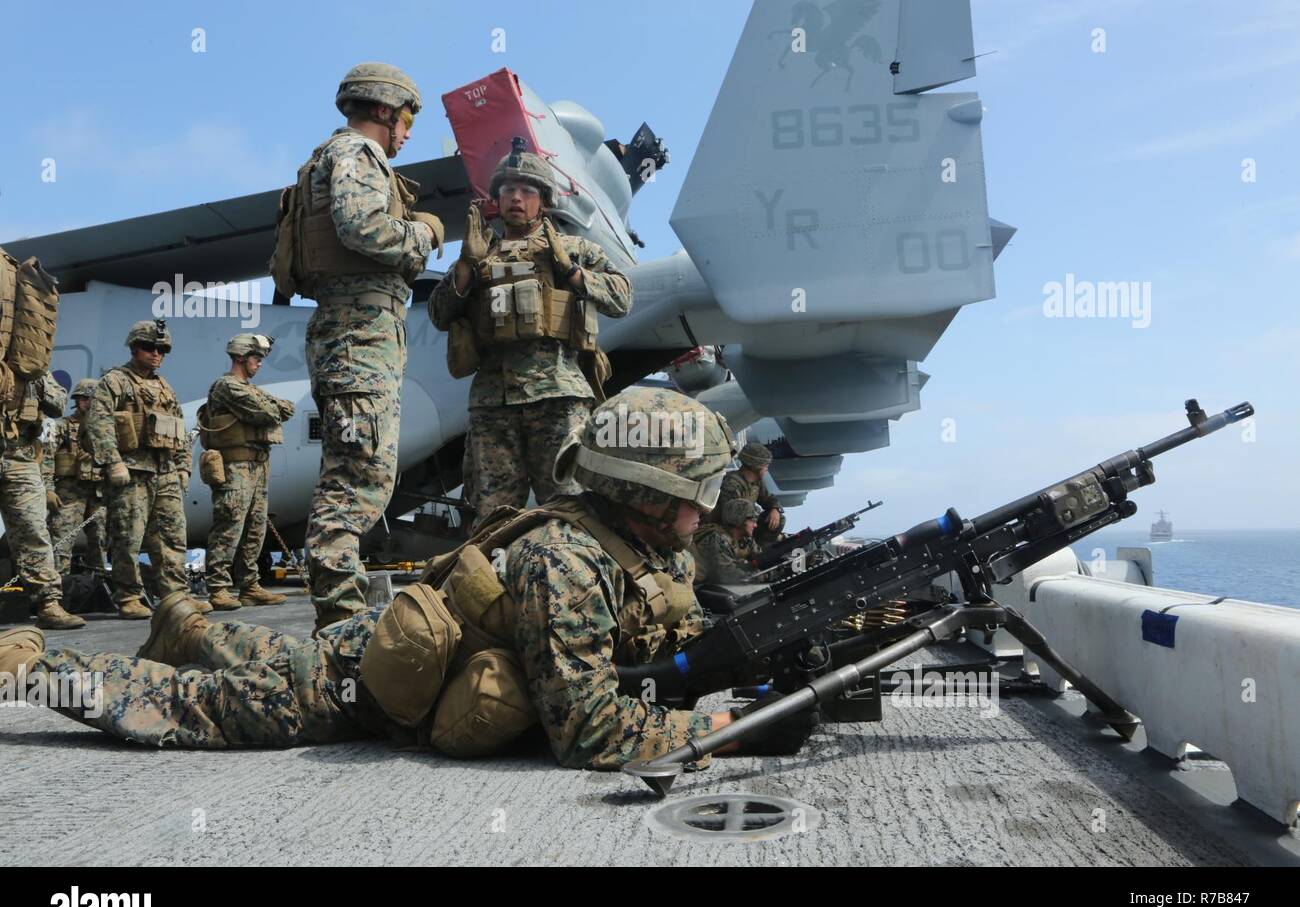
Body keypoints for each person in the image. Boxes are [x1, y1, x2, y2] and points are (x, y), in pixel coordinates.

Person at [0, 389, 815, 766]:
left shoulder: (638, 542)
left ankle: (190, 627)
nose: (710, 508)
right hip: (353, 688)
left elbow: (661, 639)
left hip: (368, 651)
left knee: (268, 657)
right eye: (698, 489)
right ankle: (31, 668)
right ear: (651, 491)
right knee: (181, 709)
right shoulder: (568, 563)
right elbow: (592, 734)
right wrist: (734, 731)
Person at [285, 62, 444, 634]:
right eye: (406, 118)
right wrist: (424, 233)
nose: (407, 132)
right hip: (358, 337)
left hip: (352, 336)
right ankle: (341, 619)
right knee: (356, 479)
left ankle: (340, 612)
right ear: (384, 109)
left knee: (356, 473)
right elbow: (361, 228)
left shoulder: (327, 158)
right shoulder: (356, 155)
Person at [429, 140, 632, 529]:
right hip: (493, 403)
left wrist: (572, 271)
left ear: (544, 200)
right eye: (507, 190)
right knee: (491, 516)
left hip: (557, 396)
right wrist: (466, 268)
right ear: (497, 198)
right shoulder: (478, 252)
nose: (516, 198)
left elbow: (622, 299)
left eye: (527, 191)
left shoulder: (573, 249)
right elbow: (440, 314)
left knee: (571, 507)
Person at [83, 320, 210, 618]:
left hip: (164, 471)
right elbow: (98, 423)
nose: (157, 354)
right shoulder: (115, 381)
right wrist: (112, 461)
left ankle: (176, 596)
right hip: (131, 470)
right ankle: (128, 596)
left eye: (162, 350)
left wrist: (182, 469)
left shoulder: (164, 386)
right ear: (135, 347)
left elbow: (178, 430)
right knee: (128, 536)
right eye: (150, 348)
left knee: (172, 538)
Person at [201, 334, 295, 610]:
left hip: (257, 465)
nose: (260, 364)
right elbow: (264, 413)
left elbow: (286, 408)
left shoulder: (249, 388)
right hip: (235, 466)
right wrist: (273, 408)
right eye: (257, 358)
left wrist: (274, 408)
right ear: (241, 357)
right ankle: (218, 588)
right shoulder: (227, 386)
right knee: (229, 524)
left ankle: (249, 586)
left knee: (255, 527)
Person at [0, 373, 84, 629]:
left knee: (34, 530)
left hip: (19, 454)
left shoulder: (30, 363)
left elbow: (57, 403)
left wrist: (32, 378)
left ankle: (49, 603)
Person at [42, 378, 108, 575]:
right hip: (68, 494)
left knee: (101, 541)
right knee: (60, 542)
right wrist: (47, 489)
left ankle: (96, 587)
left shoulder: (105, 431)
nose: (93, 404)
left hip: (98, 493)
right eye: (89, 399)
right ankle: (56, 589)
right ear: (79, 400)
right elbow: (45, 458)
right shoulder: (55, 426)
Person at [711, 440, 784, 548]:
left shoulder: (756, 482)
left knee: (779, 520)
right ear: (757, 466)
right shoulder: (731, 484)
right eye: (765, 466)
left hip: (748, 523)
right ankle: (753, 551)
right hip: (732, 527)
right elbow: (730, 518)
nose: (766, 469)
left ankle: (762, 548)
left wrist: (775, 509)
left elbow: (768, 499)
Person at [689, 498, 759, 585]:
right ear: (739, 518)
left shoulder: (746, 539)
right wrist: (759, 577)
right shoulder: (715, 538)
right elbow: (727, 575)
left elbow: (760, 557)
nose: (755, 525)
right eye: (752, 521)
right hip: (696, 586)